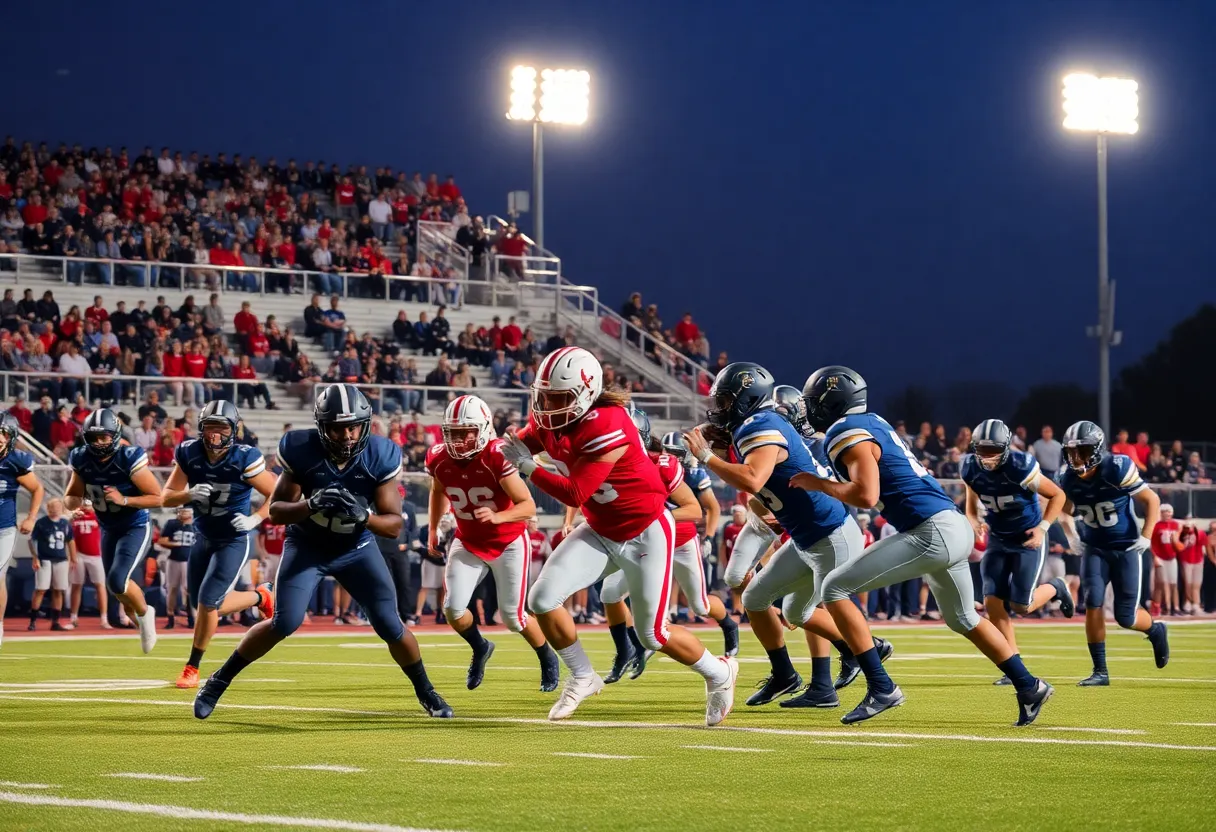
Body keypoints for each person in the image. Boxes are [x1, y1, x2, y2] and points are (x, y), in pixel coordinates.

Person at [797, 366, 1053, 726]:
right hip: (950, 525)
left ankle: (880, 686)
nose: (808, 409)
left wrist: (817, 484)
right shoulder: (874, 423)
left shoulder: (844, 431)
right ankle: (1029, 685)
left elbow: (867, 496)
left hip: (930, 529)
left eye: (812, 402)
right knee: (963, 618)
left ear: (831, 402)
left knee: (834, 587)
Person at [499, 347, 739, 726]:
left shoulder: (607, 423)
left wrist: (528, 467)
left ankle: (719, 672)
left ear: (586, 392)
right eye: (543, 395)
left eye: (558, 397)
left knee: (652, 634)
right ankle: (582, 675)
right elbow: (514, 447)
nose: (548, 405)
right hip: (601, 528)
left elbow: (575, 492)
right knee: (542, 599)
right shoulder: (551, 418)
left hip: (644, 531)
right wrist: (486, 452)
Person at [193, 384, 452, 720]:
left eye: (352, 427)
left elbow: (392, 525)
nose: (346, 435)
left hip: (355, 547)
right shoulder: (301, 449)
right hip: (307, 546)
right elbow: (277, 511)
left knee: (390, 624)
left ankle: (427, 692)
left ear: (364, 424)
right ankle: (217, 681)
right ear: (321, 426)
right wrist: (310, 503)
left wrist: (363, 515)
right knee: (284, 622)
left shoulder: (379, 454)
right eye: (337, 427)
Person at [686, 366, 874, 710]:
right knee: (759, 599)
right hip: (807, 535)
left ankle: (875, 671)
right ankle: (787, 674)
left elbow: (754, 479)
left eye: (726, 400)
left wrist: (707, 457)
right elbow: (766, 491)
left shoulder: (761, 425)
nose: (720, 407)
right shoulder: (751, 427)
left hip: (829, 531)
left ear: (747, 399)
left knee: (825, 604)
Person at [426, 395, 560, 692]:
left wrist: (499, 517)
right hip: (469, 541)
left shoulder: (496, 455)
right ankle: (480, 646)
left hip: (508, 541)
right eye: (453, 433)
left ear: (483, 429)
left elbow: (527, 506)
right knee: (453, 609)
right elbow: (437, 490)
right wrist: (433, 526)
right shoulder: (438, 457)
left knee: (513, 617)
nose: (459, 440)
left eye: (466, 432)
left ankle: (546, 656)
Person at [598, 410, 730, 684]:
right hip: (638, 540)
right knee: (610, 593)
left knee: (698, 605)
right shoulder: (613, 464)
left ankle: (728, 632)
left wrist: (706, 537)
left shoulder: (668, 465)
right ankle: (626, 650)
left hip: (677, 540)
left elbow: (698, 510)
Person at [159, 401, 276, 687]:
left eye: (221, 428)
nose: (214, 435)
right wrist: (189, 495)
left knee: (209, 602)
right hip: (203, 537)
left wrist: (256, 518)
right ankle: (260, 596)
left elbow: (277, 494)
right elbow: (166, 496)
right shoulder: (189, 452)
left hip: (233, 540)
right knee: (201, 605)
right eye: (209, 427)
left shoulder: (244, 457)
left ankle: (192, 667)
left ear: (233, 429)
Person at [1057, 421, 1169, 686]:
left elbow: (1151, 500)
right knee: (1092, 602)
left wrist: (1146, 535)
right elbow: (1064, 509)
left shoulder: (1116, 468)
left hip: (1127, 547)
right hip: (1095, 548)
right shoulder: (1068, 477)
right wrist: (1072, 535)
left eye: (1081, 451)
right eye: (1071, 452)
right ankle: (1100, 671)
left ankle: (1155, 629)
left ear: (1096, 450)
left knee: (1125, 616)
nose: (1076, 458)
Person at [961, 419, 1073, 684]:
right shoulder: (969, 466)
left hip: (1027, 537)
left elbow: (1058, 495)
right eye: (983, 450)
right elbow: (970, 501)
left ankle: (1057, 587)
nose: (987, 457)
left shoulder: (1020, 465)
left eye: (993, 450)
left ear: (1007, 448)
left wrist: (1043, 528)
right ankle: (1014, 663)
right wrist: (974, 519)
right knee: (992, 602)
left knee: (1021, 605)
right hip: (998, 537)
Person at [64, 409, 160, 652]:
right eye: (94, 437)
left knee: (118, 580)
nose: (99, 442)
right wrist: (75, 505)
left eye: (104, 437)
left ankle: (146, 614)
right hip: (108, 527)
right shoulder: (81, 458)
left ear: (114, 435)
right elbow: (71, 496)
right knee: (116, 588)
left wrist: (125, 500)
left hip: (135, 525)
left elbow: (157, 497)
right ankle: (137, 613)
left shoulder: (129, 457)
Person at [0, 412, 43, 648]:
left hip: (3, 528)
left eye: (3, 433)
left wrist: (32, 517)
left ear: (11, 436)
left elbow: (37, 489)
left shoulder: (15, 460)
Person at [28, 498, 76, 631]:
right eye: (53, 506)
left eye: (58, 506)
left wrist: (73, 558)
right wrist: (35, 557)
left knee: (58, 590)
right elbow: (32, 541)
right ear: (48, 508)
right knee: (41, 589)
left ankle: (55, 622)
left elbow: (70, 540)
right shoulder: (41, 523)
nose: (55, 509)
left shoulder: (65, 523)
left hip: (60, 558)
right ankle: (32, 621)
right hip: (44, 559)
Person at [155, 507, 198, 630]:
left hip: (189, 562)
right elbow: (161, 541)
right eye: (180, 511)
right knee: (171, 589)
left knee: (188, 589)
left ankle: (191, 618)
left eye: (184, 511)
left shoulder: (196, 525)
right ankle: (171, 617)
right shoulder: (172, 524)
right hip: (173, 559)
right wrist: (176, 544)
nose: (181, 513)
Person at [68, 499, 109, 628]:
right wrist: (72, 515)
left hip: (95, 554)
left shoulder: (97, 516)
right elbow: (65, 528)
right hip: (79, 554)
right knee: (76, 585)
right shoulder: (74, 516)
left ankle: (104, 618)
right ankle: (73, 617)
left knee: (100, 585)